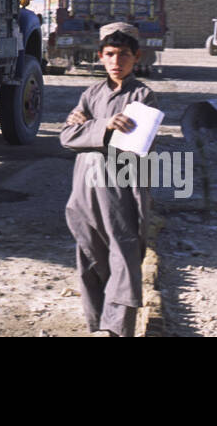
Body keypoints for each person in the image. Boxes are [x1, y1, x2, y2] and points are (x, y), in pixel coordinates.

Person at [60, 21, 157, 336]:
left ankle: (116, 330)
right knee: (89, 255)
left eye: (124, 55)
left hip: (121, 189)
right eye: (111, 54)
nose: (117, 62)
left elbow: (133, 145)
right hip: (84, 188)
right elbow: (66, 137)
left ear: (136, 57)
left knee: (124, 257)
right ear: (100, 56)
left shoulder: (143, 96)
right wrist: (104, 125)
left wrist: (91, 127)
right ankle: (96, 325)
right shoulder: (90, 93)